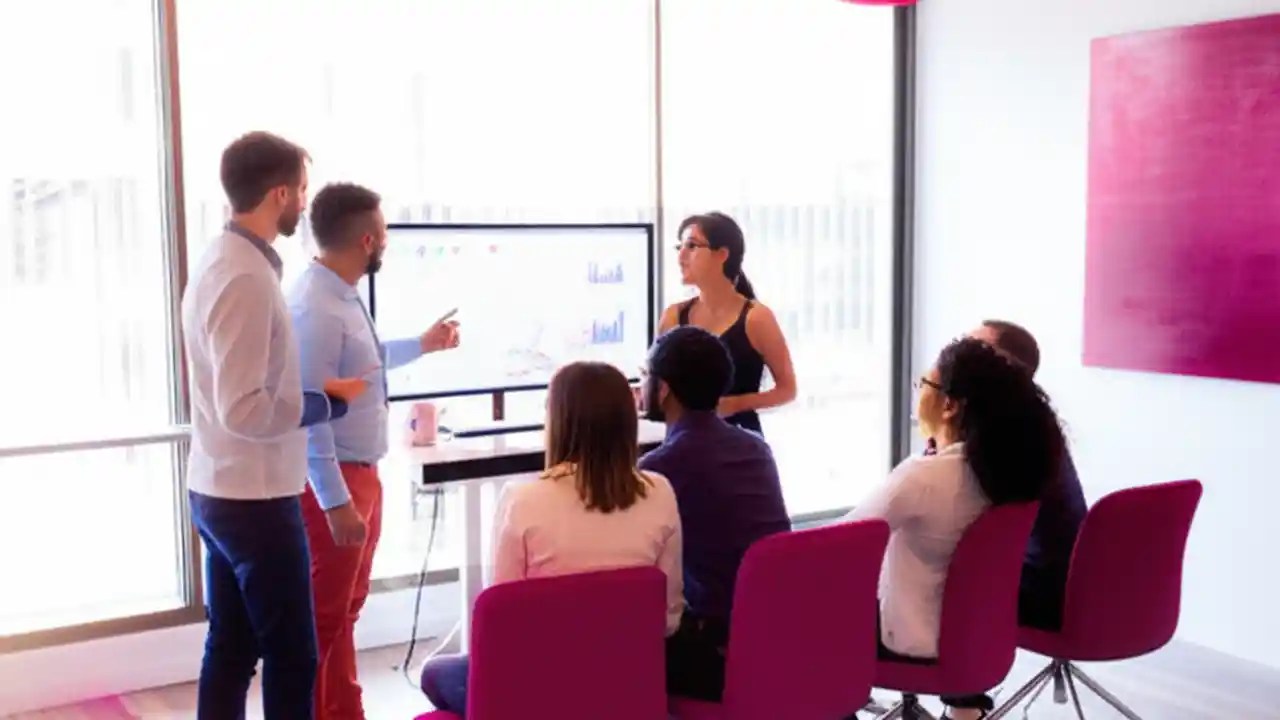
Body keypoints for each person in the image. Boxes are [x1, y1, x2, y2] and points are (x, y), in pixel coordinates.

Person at [181, 131, 368, 720]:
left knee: (233, 647)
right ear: (280, 193)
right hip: (254, 498)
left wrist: (310, 395)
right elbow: (244, 408)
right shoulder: (244, 278)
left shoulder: (227, 259)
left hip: (223, 488)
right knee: (292, 658)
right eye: (302, 192)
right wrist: (323, 406)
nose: (306, 205)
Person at [419, 362, 684, 716]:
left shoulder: (521, 500)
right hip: (622, 684)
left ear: (558, 421)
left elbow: (501, 627)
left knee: (435, 673)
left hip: (537, 688)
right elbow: (667, 620)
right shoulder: (660, 492)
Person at [288, 183, 461, 720]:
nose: (385, 242)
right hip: (336, 480)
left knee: (343, 613)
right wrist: (336, 500)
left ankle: (344, 709)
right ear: (367, 239)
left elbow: (363, 363)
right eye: (383, 234)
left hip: (361, 473)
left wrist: (423, 344)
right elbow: (311, 409)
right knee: (323, 618)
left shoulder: (339, 294)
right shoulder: (316, 306)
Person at [845, 337, 1065, 720]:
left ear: (949, 405)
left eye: (924, 386)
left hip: (911, 639)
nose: (918, 394)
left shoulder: (925, 477)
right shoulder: (1014, 473)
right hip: (980, 637)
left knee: (803, 620)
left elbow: (837, 548)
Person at [638, 325, 791, 701]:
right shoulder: (756, 449)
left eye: (643, 377)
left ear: (664, 389)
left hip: (717, 648)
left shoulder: (661, 468)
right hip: (779, 637)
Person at [969, 320, 1086, 632]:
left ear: (1001, 364)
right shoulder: (1036, 419)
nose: (959, 351)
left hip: (1040, 591)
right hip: (1079, 584)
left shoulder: (1004, 433)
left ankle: (963, 674)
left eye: (973, 345)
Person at [657, 212, 796, 435]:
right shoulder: (673, 316)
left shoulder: (756, 318)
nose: (681, 256)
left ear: (722, 254)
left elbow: (787, 389)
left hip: (741, 443)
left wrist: (734, 404)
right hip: (681, 442)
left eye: (692, 246)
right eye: (679, 247)